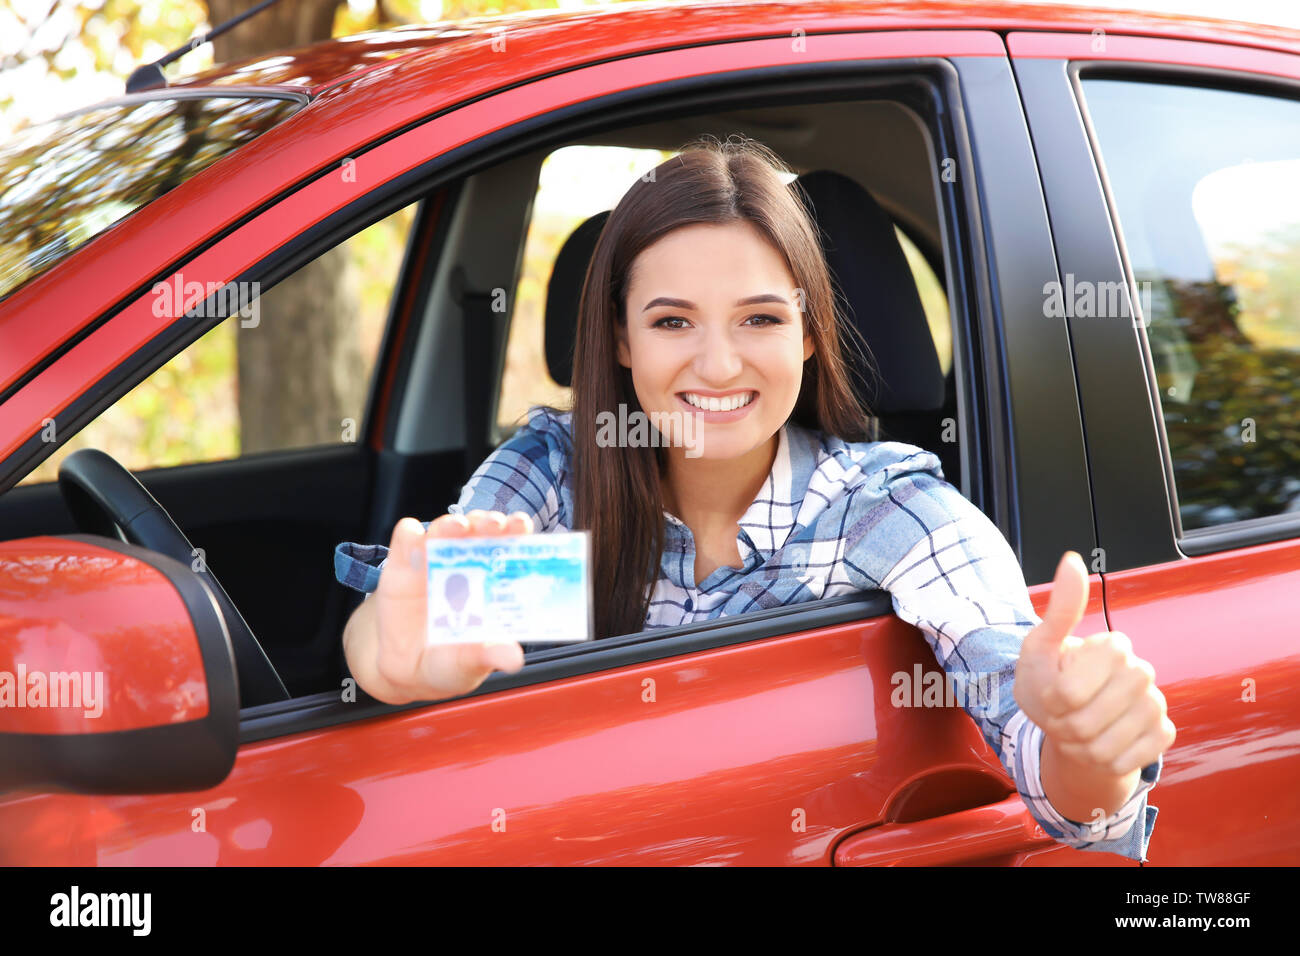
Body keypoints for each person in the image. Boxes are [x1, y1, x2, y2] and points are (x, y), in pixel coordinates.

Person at [334, 134, 1175, 861]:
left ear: (810, 334)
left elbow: (1080, 804)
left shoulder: (881, 512)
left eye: (760, 319)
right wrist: (390, 662)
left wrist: (1084, 745)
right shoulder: (561, 473)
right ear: (620, 339)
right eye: (672, 322)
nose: (720, 365)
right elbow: (429, 614)